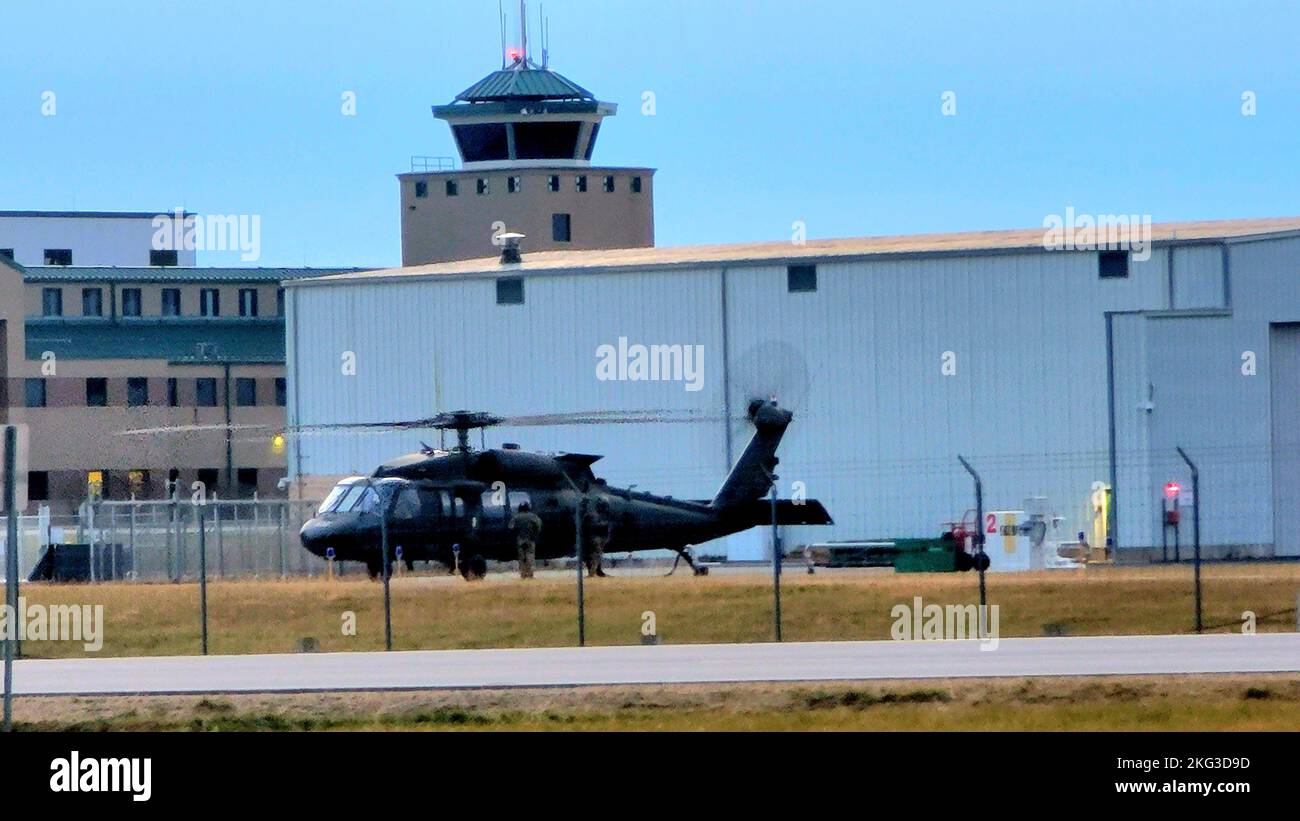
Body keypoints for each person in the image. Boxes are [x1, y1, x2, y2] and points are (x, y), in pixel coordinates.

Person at [509, 502, 542, 579]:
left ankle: (523, 574)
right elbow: (539, 526)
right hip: (530, 540)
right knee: (530, 556)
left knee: (522, 557)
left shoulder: (516, 517)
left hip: (520, 540)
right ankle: (530, 574)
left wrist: (516, 535)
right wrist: (535, 535)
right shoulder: (533, 517)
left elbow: (510, 527)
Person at [583, 500, 613, 577]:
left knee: (594, 555)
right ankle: (592, 572)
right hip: (595, 538)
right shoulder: (592, 515)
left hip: (594, 538)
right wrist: (605, 524)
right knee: (596, 555)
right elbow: (595, 525)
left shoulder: (590, 515)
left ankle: (597, 571)